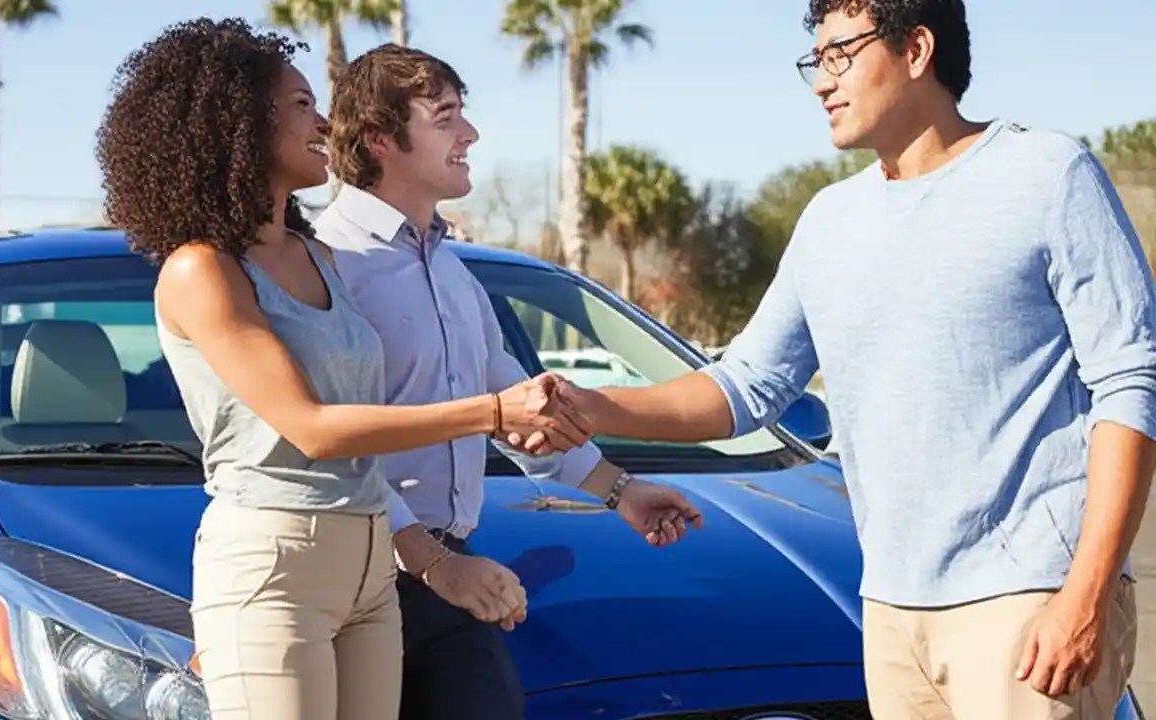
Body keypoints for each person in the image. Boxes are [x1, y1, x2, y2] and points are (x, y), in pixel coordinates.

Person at [514, 1, 1156, 718]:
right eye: (814, 61)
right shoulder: (829, 219)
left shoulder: (1046, 174)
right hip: (887, 611)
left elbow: (1130, 382)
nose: (821, 82)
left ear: (916, 49)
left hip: (1026, 600)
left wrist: (1086, 593)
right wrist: (591, 407)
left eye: (840, 55)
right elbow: (747, 387)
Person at [94, 19, 588, 720]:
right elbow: (315, 430)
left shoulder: (321, 257)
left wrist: (433, 558)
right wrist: (493, 412)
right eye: (301, 105)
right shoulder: (201, 270)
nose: (324, 121)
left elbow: (370, 449)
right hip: (275, 564)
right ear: (237, 125)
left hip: (370, 568)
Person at [313, 43, 705, 720]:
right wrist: (434, 564)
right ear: (380, 139)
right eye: (445, 117)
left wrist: (622, 490)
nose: (470, 134)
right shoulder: (326, 264)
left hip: (444, 573)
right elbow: (330, 444)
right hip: (351, 577)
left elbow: (517, 409)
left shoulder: (456, 274)